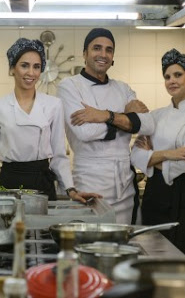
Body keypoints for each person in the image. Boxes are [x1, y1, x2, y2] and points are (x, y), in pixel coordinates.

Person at [0, 38, 100, 203]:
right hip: (9, 184)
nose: (31, 73)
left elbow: (59, 156)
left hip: (41, 184)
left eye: (36, 67)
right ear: (12, 69)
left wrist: (70, 189)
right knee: (9, 228)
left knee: (42, 229)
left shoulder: (53, 105)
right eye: (24, 65)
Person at [57, 28, 155, 224]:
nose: (103, 54)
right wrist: (126, 118)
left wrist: (104, 115)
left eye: (109, 50)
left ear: (113, 57)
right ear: (84, 54)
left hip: (125, 185)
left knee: (124, 243)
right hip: (90, 182)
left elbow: (148, 124)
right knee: (92, 243)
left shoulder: (123, 88)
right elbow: (85, 132)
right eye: (97, 48)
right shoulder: (69, 86)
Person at [131, 48, 185, 258]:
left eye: (178, 75)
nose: (171, 81)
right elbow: (135, 155)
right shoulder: (155, 116)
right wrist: (169, 154)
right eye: (167, 76)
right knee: (151, 253)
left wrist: (152, 158)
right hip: (156, 194)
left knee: (184, 258)